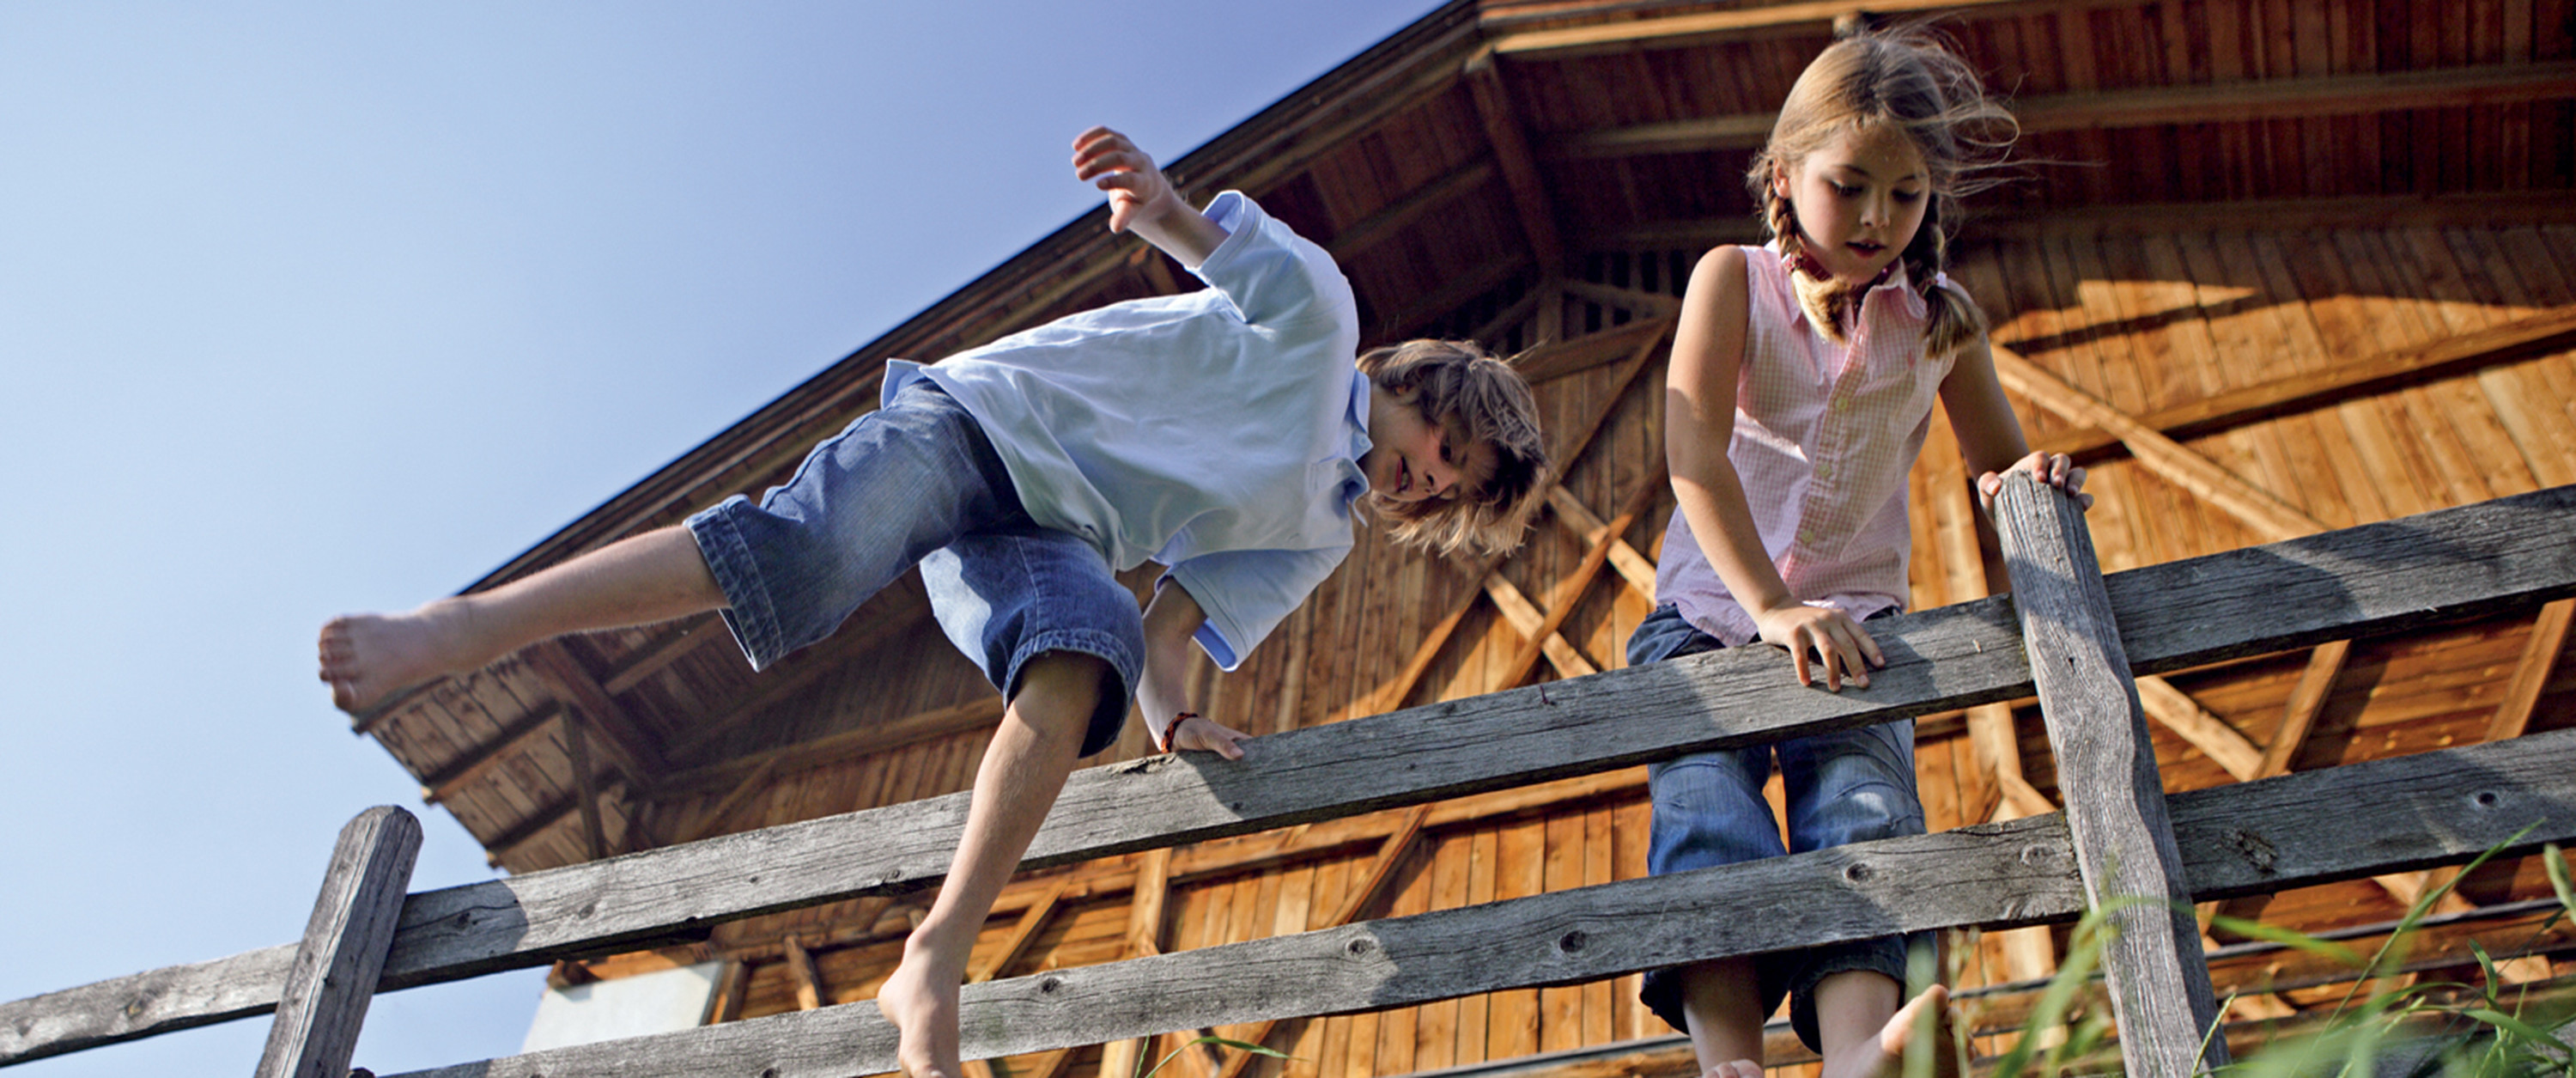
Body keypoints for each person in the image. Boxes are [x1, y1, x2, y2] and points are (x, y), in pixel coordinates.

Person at [317, 125, 1547, 1078]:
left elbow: (1171, 623)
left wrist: (1175, 719)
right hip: (976, 422)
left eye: (1452, 485)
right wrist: (1157, 200)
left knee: (1089, 652)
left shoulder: (1318, 533)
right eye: (1443, 442)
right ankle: (468, 626)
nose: (1431, 474)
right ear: (1413, 383)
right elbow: (1210, 245)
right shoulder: (1322, 318)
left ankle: (935, 956)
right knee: (808, 558)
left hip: (1051, 536)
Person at [1632, 27, 2089, 1078]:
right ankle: (1730, 1061)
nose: (1879, 217)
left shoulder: (1939, 320)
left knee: (1863, 813)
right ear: (1784, 177)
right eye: (1850, 187)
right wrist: (1769, 605)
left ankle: (1854, 1056)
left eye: (1907, 193)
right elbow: (1693, 453)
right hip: (1706, 616)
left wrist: (2029, 481)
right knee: (1707, 813)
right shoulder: (1733, 279)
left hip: (1858, 627)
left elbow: (1997, 463)